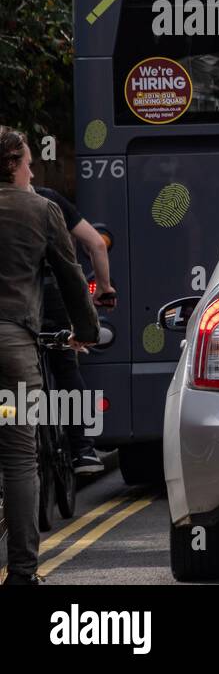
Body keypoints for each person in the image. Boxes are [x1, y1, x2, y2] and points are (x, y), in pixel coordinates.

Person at [0, 128, 99, 585]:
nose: (33, 169)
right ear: (12, 165)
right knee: (20, 459)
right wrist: (86, 332)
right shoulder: (41, 209)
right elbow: (72, 277)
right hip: (14, 348)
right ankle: (22, 573)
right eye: (27, 162)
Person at [34, 184, 112, 475]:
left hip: (12, 299)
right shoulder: (46, 199)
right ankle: (82, 449)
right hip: (53, 296)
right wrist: (104, 287)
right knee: (65, 365)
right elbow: (97, 244)